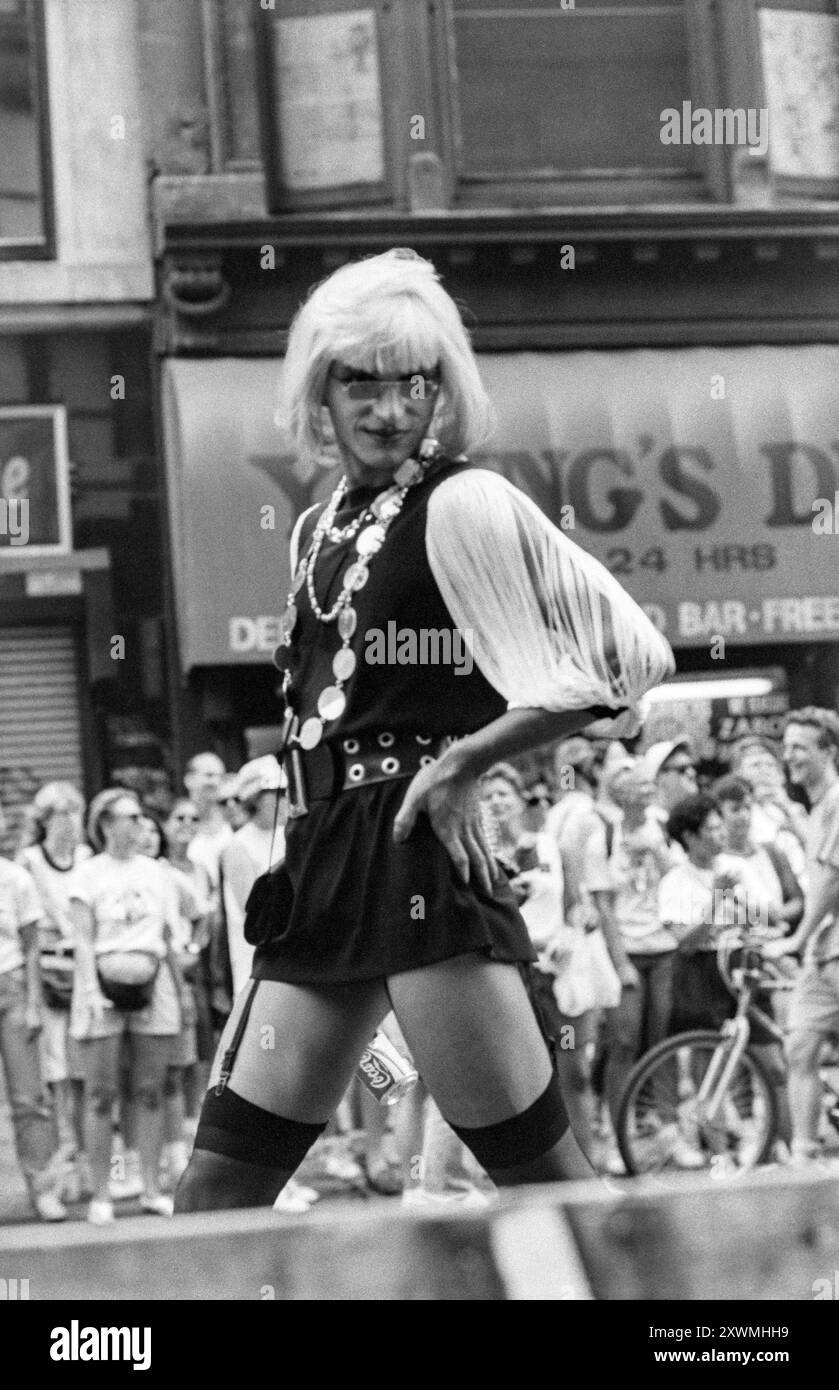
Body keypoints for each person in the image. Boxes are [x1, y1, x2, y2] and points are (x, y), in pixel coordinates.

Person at [175, 246, 673, 1213]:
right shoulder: (316, 525)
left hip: (413, 859)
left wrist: (464, 763)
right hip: (316, 866)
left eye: (413, 381)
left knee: (547, 1192)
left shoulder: (466, 501)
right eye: (359, 381)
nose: (388, 407)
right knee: (216, 1193)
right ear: (320, 388)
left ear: (440, 387)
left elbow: (628, 660)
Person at [68, 788, 183, 1223]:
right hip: (102, 982)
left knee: (150, 1089)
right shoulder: (89, 874)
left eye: (140, 817)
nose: (138, 825)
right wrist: (90, 990)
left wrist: (178, 991)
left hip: (152, 982)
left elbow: (168, 938)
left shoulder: (157, 873)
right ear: (105, 823)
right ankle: (102, 1193)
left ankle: (152, 1189)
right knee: (100, 1093)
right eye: (129, 817)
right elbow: (81, 939)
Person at [765, 708, 839, 1165]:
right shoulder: (817, 807)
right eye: (786, 746)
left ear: (828, 751)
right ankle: (805, 1155)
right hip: (825, 951)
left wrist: (797, 938)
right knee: (800, 1046)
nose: (789, 755)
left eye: (800, 747)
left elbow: (831, 882)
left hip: (829, 947)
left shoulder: (835, 802)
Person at [17, 781, 92, 1202]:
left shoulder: (85, 859)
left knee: (86, 1071)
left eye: (73, 811)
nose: (68, 821)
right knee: (57, 1072)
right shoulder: (29, 862)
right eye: (59, 813)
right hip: (49, 974)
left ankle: (90, 1164)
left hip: (83, 971)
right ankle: (63, 1169)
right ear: (44, 820)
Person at [601, 762, 679, 1140]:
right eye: (635, 781)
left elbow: (684, 881)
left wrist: (657, 851)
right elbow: (601, 902)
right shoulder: (604, 832)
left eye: (649, 781)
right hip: (627, 949)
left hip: (663, 946)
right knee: (624, 1040)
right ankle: (620, 1133)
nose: (646, 786)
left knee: (662, 1041)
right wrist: (618, 963)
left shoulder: (662, 825)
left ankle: (668, 1127)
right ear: (618, 792)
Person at [0, 851, 66, 1220]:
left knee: (29, 1098)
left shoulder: (15, 878)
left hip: (11, 988)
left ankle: (43, 1190)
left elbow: (30, 947)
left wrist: (33, 1003)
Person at [730, 735, 808, 882]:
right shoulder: (734, 815)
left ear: (782, 775)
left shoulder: (797, 810)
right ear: (737, 774)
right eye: (756, 765)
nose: (765, 771)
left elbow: (820, 850)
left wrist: (788, 808)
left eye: (770, 765)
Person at [183, 753, 234, 892]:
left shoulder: (234, 824)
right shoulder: (179, 824)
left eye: (221, 777)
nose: (216, 782)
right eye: (209, 775)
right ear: (189, 780)